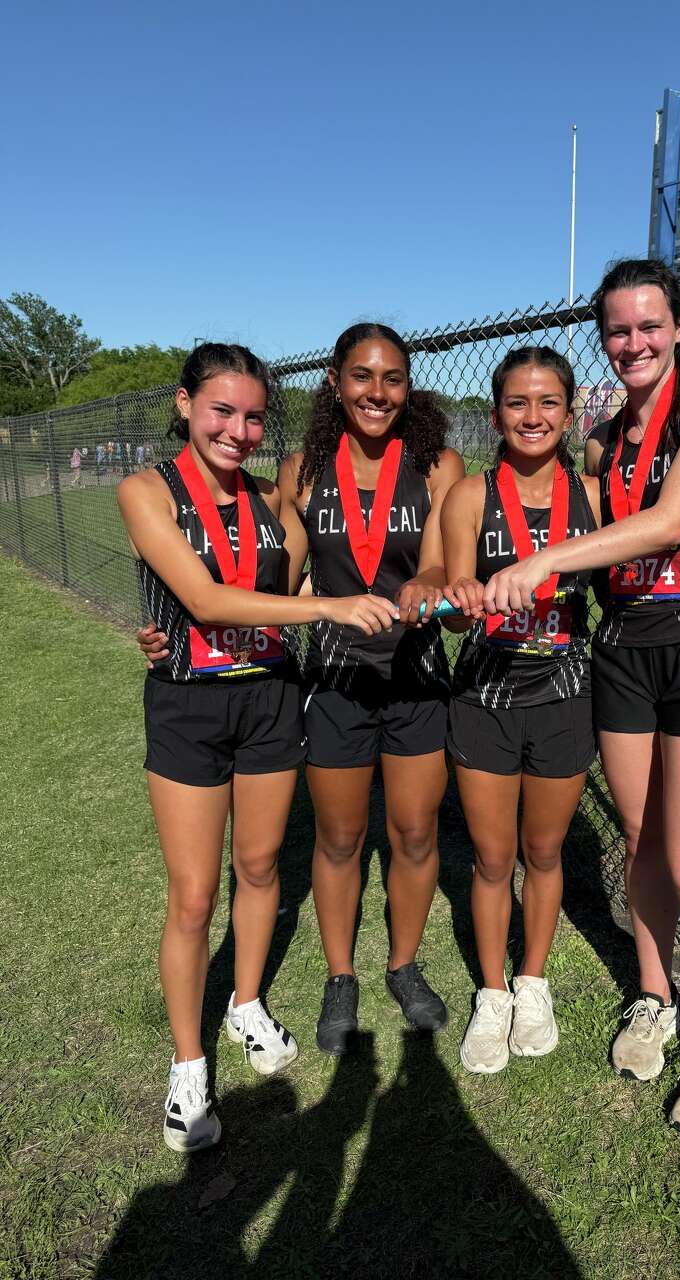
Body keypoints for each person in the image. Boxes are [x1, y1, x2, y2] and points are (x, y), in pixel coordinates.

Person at [483, 259, 680, 1139]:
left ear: (678, 325)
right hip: (625, 654)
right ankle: (653, 995)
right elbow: (609, 519)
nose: (634, 342)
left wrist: (544, 562)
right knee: (641, 838)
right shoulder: (608, 432)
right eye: (617, 329)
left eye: (649, 325)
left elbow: (677, 521)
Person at [118, 343, 398, 1153]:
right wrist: (334, 610)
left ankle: (244, 1002)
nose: (237, 430)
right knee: (194, 895)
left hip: (272, 699)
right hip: (189, 708)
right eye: (220, 412)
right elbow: (203, 601)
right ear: (184, 405)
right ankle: (188, 1061)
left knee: (261, 868)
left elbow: (302, 579)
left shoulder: (275, 502)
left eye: (250, 416)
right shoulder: (146, 491)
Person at [276, 323, 464, 1054]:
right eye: (362, 376)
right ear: (334, 380)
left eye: (391, 378)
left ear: (407, 387)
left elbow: (446, 568)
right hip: (335, 679)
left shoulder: (437, 465)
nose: (377, 392)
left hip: (417, 677)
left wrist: (429, 580)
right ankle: (340, 974)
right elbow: (281, 578)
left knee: (414, 833)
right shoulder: (303, 471)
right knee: (341, 835)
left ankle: (404, 964)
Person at [441, 347, 601, 1073]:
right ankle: (494, 994)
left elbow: (628, 584)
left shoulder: (593, 497)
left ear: (569, 413)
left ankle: (533, 981)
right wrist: (460, 600)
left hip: (565, 697)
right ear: (497, 411)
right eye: (516, 403)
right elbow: (449, 606)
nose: (532, 417)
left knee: (543, 852)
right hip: (485, 698)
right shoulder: (472, 497)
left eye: (547, 403)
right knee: (492, 856)